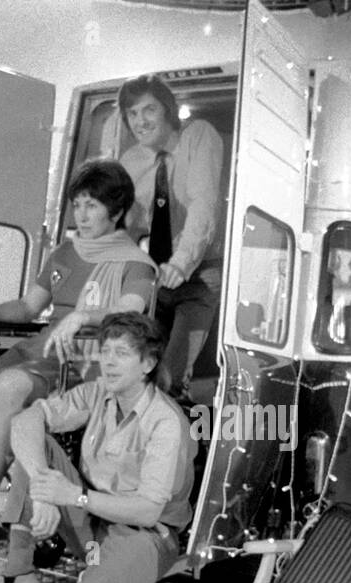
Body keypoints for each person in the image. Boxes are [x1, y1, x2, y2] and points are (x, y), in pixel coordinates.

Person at [0, 313, 194, 583]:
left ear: (147, 364)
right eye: (105, 352)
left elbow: (149, 510)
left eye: (122, 353)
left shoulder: (166, 422)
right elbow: (24, 422)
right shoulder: (99, 392)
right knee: (39, 449)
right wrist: (45, 487)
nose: (109, 362)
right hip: (94, 531)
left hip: (145, 536)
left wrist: (74, 496)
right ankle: (18, 573)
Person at [0, 160, 158, 531]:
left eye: (92, 205)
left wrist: (83, 317)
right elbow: (29, 306)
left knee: (9, 384)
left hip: (88, 357)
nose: (82, 214)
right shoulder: (64, 254)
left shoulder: (137, 264)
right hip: (46, 349)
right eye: (77, 205)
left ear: (117, 211)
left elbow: (129, 313)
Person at [117, 74, 224, 404]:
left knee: (169, 378)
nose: (140, 121)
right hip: (156, 278)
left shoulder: (198, 136)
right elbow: (126, 224)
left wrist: (181, 262)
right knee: (138, 375)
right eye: (132, 114)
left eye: (148, 110)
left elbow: (202, 204)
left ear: (168, 110)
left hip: (199, 274)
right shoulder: (130, 161)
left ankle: (178, 450)